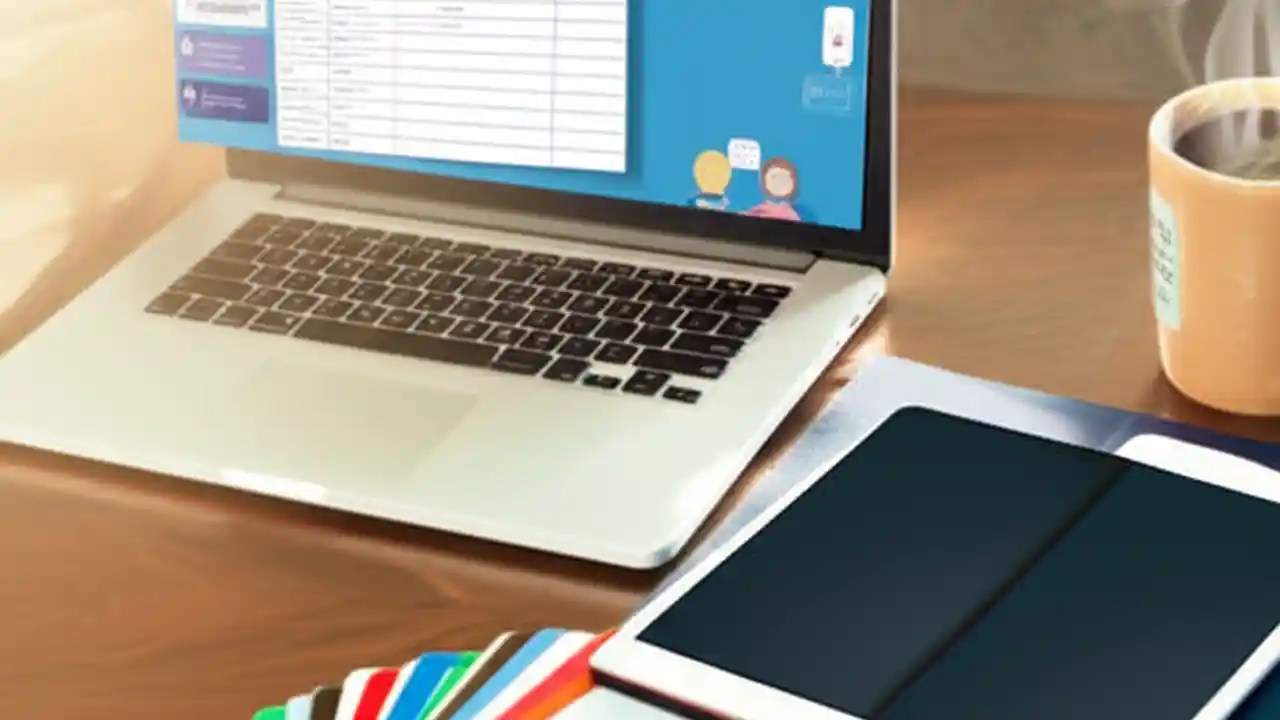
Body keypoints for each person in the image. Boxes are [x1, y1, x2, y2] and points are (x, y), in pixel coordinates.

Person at [745, 157, 802, 221]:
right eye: (774, 177)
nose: (779, 182)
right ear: (765, 182)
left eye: (784, 179)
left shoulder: (792, 215)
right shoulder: (758, 210)